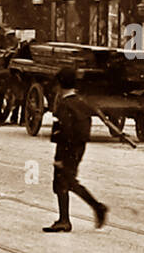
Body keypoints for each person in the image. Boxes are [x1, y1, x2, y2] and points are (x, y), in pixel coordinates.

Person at [44, 66, 107, 232]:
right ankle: (67, 218)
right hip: (79, 147)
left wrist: (59, 157)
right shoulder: (81, 102)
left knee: (64, 181)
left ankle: (89, 210)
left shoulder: (64, 105)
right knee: (67, 181)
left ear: (59, 85)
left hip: (67, 149)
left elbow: (63, 133)